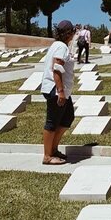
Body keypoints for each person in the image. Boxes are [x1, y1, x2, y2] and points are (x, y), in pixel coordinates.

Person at [40, 19, 76, 166]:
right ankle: (47, 156)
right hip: (56, 90)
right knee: (52, 122)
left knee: (67, 118)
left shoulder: (57, 45)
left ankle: (53, 149)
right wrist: (60, 91)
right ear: (69, 33)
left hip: (62, 90)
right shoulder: (61, 47)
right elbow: (57, 70)